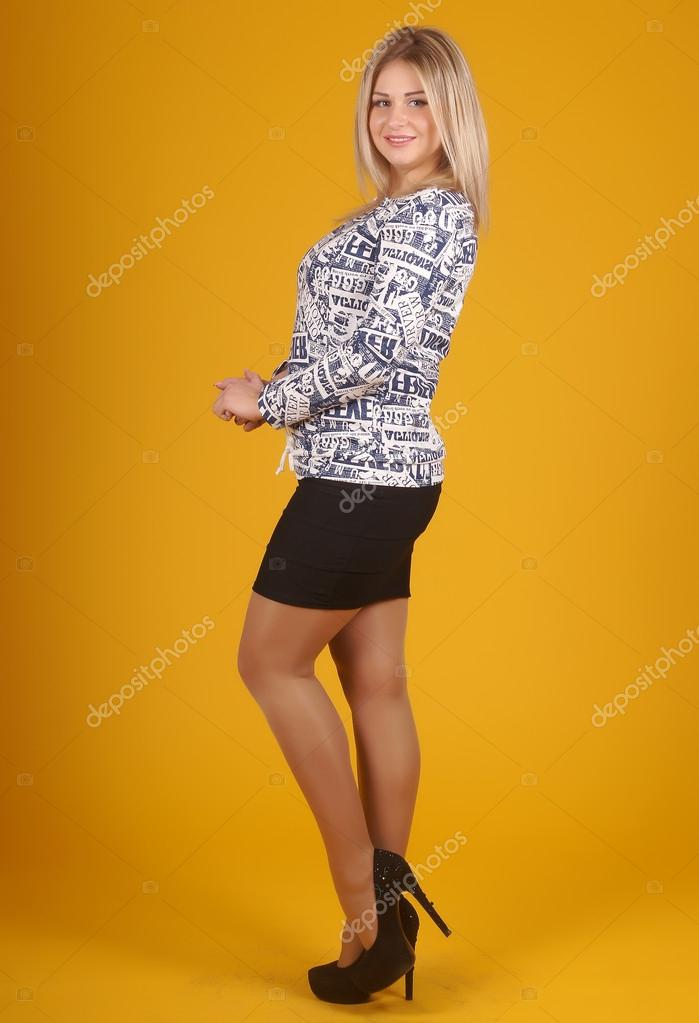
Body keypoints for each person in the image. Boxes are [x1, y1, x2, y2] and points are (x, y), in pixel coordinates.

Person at [211, 24, 488, 1004]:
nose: (396, 117)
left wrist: (272, 399)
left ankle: (368, 915)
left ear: (450, 112)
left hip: (363, 479)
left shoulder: (435, 217)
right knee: (374, 678)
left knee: (267, 661)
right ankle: (390, 914)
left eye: (417, 99)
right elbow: (350, 345)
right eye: (381, 100)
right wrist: (276, 384)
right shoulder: (396, 213)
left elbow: (381, 355)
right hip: (372, 470)